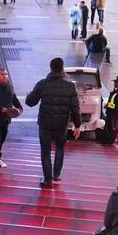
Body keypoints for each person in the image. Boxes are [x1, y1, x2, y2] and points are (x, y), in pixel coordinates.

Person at [25, 57, 82, 187]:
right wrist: (77, 125)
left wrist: (29, 94)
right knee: (60, 149)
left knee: (45, 151)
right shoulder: (70, 86)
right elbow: (75, 107)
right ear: (62, 68)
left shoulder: (42, 84)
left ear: (50, 68)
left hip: (45, 124)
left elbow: (30, 102)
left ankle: (48, 179)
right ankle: (56, 175)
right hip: (61, 125)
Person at [101, 75, 118, 144]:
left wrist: (117, 116)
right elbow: (113, 103)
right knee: (109, 127)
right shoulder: (116, 91)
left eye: (116, 82)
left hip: (115, 114)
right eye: (115, 82)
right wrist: (108, 105)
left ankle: (110, 141)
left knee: (113, 128)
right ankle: (107, 140)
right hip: (110, 113)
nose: (115, 84)